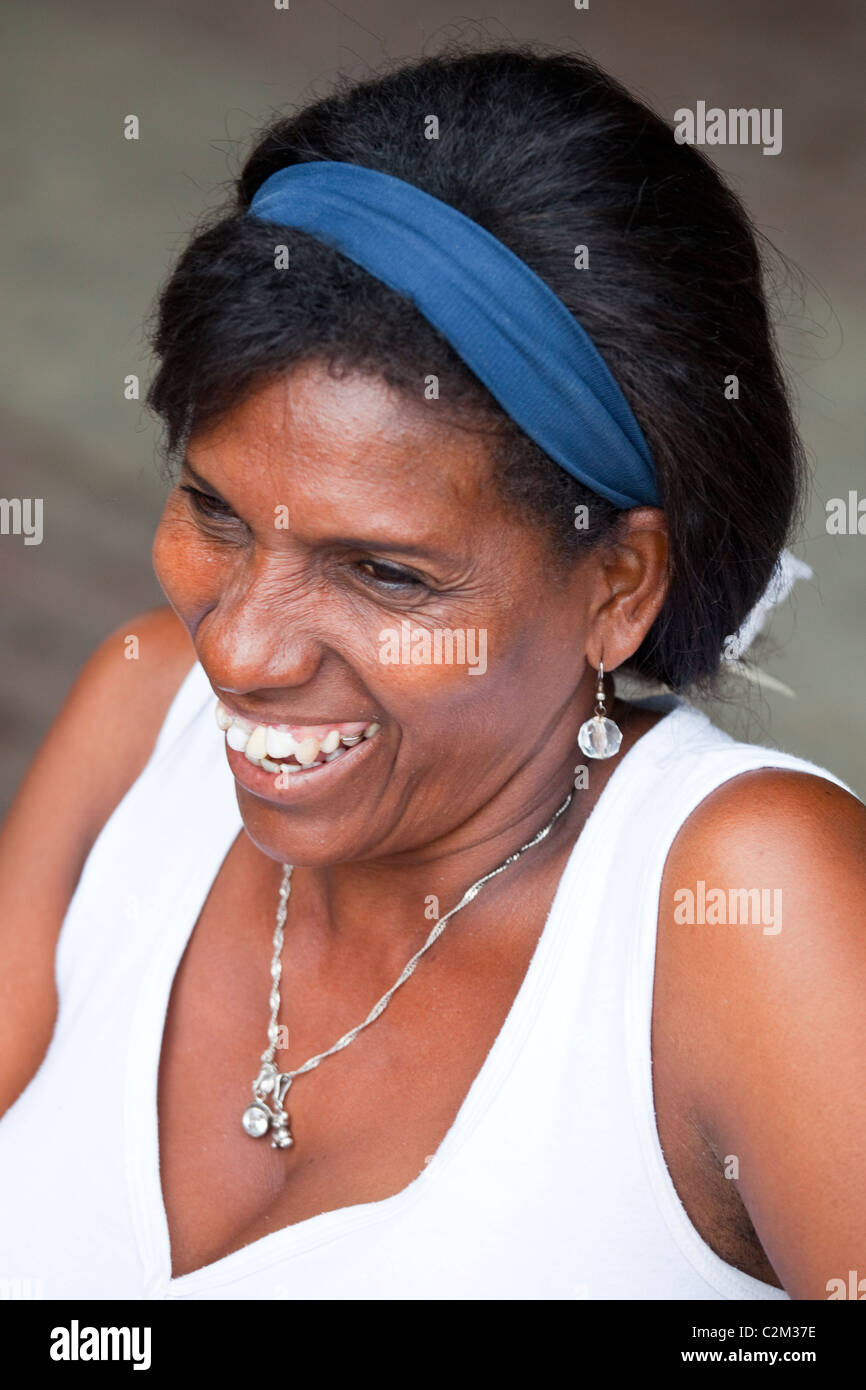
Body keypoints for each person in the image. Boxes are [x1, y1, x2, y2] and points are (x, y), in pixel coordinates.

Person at [1, 46, 864, 1302]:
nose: (238, 650)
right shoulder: (143, 716)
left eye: (386, 575)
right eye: (215, 510)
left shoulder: (739, 909)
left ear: (617, 587)